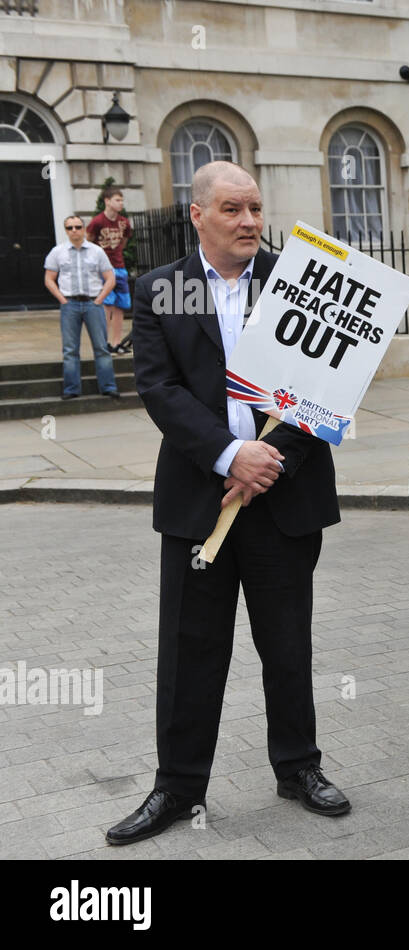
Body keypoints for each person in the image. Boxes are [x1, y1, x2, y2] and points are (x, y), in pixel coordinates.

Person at [106, 161, 349, 846]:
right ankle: (179, 788)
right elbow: (160, 389)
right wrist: (228, 455)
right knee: (190, 649)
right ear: (198, 214)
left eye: (255, 208)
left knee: (287, 643)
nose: (249, 222)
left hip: (285, 495)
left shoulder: (300, 282)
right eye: (233, 209)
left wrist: (272, 461)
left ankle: (299, 768)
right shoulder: (162, 289)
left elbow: (323, 382)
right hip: (198, 498)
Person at [43, 215, 119, 400]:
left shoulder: (96, 251)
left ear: (84, 228)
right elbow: (49, 278)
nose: (74, 230)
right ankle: (71, 389)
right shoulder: (57, 252)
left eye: (77, 226)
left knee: (101, 347)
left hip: (93, 303)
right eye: (70, 228)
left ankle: (108, 387)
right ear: (66, 230)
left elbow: (110, 277)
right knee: (70, 349)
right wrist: (62, 299)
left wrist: (100, 299)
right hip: (70, 304)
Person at [86, 186, 133, 353]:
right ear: (107, 201)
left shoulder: (123, 222)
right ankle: (103, 342)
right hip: (104, 269)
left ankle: (116, 342)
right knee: (107, 305)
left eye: (121, 200)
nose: (121, 203)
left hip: (119, 267)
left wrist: (117, 254)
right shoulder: (97, 222)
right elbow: (89, 242)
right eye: (117, 200)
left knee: (121, 305)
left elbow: (125, 240)